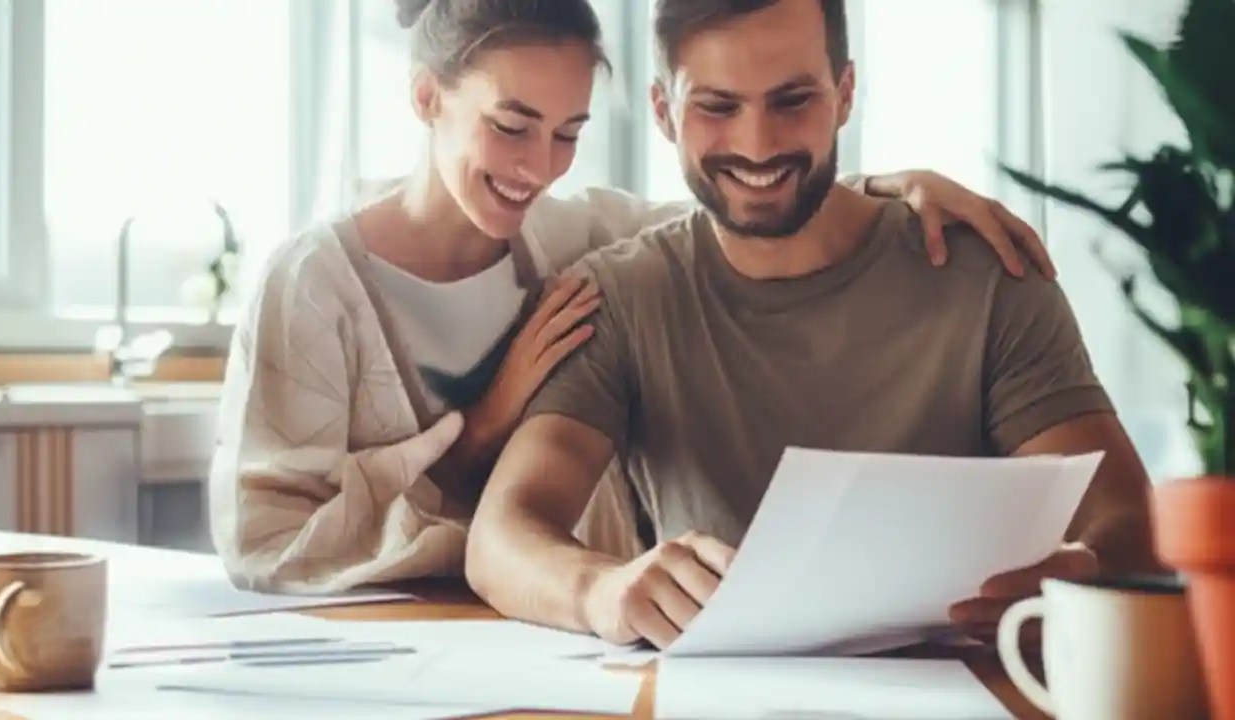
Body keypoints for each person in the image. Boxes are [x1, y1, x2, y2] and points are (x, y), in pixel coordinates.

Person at [210, 0, 1056, 594]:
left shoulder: (573, 238)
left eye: (567, 132)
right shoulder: (314, 284)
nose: (538, 167)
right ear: (427, 96)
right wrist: (476, 438)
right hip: (380, 656)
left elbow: (746, 202)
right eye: (511, 125)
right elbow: (268, 544)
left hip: (552, 646)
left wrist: (893, 185)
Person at [464, 0, 1161, 649]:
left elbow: (1126, 518)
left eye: (793, 100)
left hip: (963, 685)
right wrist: (601, 590)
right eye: (717, 106)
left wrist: (1083, 574)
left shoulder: (986, 275)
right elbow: (501, 536)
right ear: (663, 112)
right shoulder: (620, 297)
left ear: (846, 94)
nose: (758, 143)